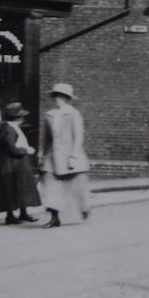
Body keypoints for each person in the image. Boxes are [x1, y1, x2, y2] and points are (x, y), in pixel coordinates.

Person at [40, 83, 91, 224]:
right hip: (52, 157)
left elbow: (78, 137)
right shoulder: (49, 115)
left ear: (67, 98)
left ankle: (84, 207)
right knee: (50, 185)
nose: (58, 99)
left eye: (61, 96)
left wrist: (74, 155)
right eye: (56, 96)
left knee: (77, 187)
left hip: (70, 156)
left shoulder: (74, 114)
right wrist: (42, 154)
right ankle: (54, 217)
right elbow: (45, 138)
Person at [0, 100, 41, 225]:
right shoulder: (9, 129)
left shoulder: (12, 127)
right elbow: (11, 147)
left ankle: (23, 213)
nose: (23, 118)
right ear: (16, 117)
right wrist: (25, 151)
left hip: (17, 164)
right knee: (11, 188)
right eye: (21, 116)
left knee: (22, 188)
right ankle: (10, 216)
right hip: (12, 164)